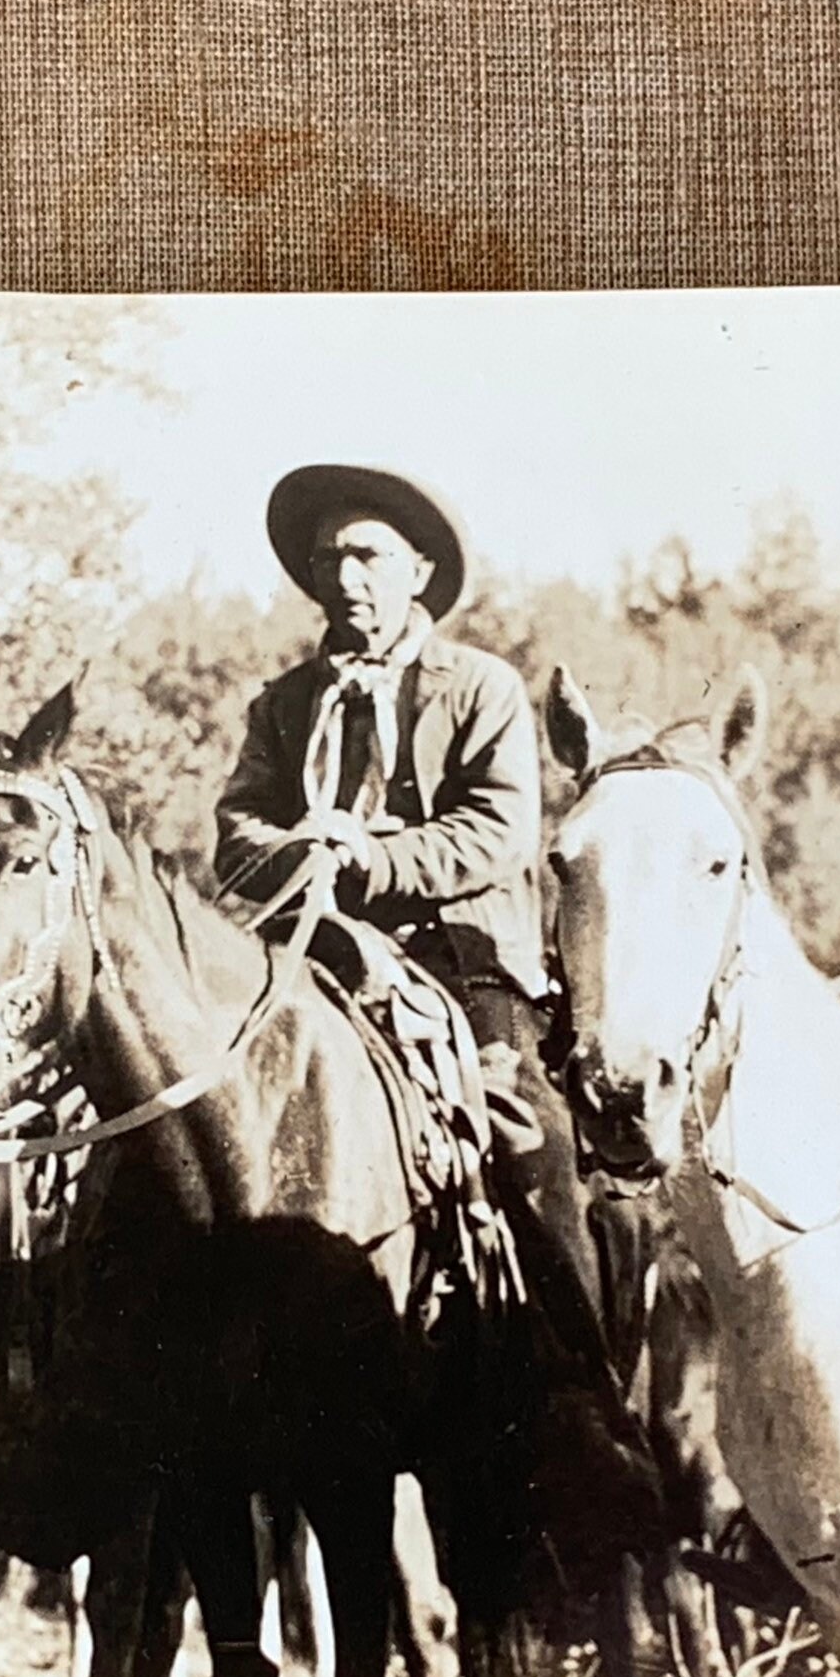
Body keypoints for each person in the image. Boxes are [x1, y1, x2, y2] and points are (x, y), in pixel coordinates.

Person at [213, 463, 638, 1454]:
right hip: (313, 961)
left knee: (528, 1148)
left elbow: (492, 831)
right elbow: (233, 833)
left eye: (365, 555)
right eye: (327, 559)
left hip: (463, 962)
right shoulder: (283, 705)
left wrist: (366, 854)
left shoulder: (480, 687)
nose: (343, 576)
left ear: (417, 571)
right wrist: (295, 850)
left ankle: (585, 1401)